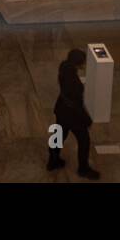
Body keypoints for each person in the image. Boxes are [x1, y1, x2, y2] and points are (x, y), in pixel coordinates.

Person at [47, 48, 100, 179]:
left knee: (59, 135)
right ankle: (83, 168)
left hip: (61, 110)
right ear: (78, 63)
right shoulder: (74, 83)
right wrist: (86, 119)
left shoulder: (64, 67)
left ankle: (53, 161)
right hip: (72, 116)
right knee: (84, 141)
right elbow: (76, 105)